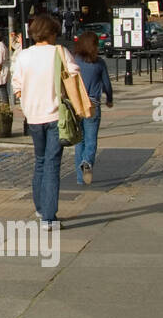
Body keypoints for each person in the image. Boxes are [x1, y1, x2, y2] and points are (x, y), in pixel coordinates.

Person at [11, 12, 81, 228]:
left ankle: (41, 209)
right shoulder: (59, 52)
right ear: (50, 33)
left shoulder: (23, 56)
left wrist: (29, 100)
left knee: (40, 161)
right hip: (55, 115)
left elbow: (17, 87)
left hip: (33, 116)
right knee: (52, 164)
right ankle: (49, 218)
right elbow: (75, 77)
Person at [72, 31, 113, 185]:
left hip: (77, 105)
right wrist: (109, 99)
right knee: (91, 140)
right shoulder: (99, 63)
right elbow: (106, 84)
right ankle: (87, 161)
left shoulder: (75, 61)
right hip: (93, 105)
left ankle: (79, 179)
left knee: (79, 141)